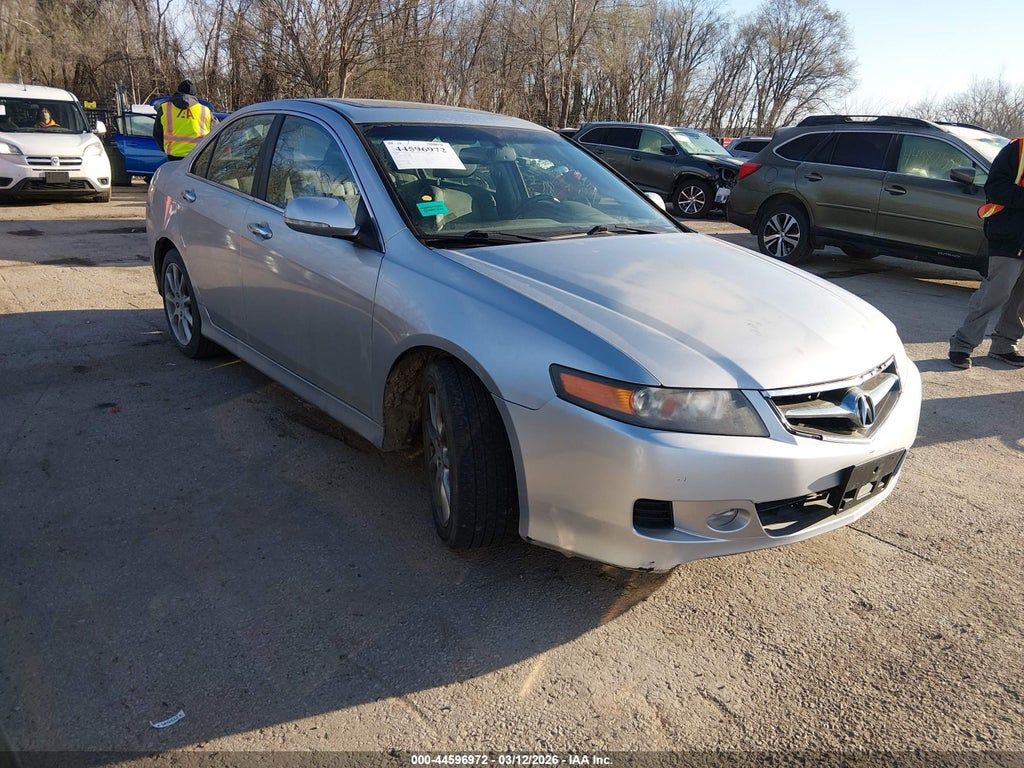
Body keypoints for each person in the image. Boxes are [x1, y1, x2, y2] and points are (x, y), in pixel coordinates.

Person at [948, 137, 1024, 369]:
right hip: (1011, 238)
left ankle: (1004, 345)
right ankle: (962, 344)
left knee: (1021, 300)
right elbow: (995, 188)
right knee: (995, 294)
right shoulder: (1017, 150)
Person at [153, 79, 215, 160]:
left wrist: (165, 148)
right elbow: (216, 133)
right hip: (198, 157)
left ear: (178, 92)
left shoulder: (165, 108)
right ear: (194, 95)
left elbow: (157, 133)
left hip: (174, 156)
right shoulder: (205, 110)